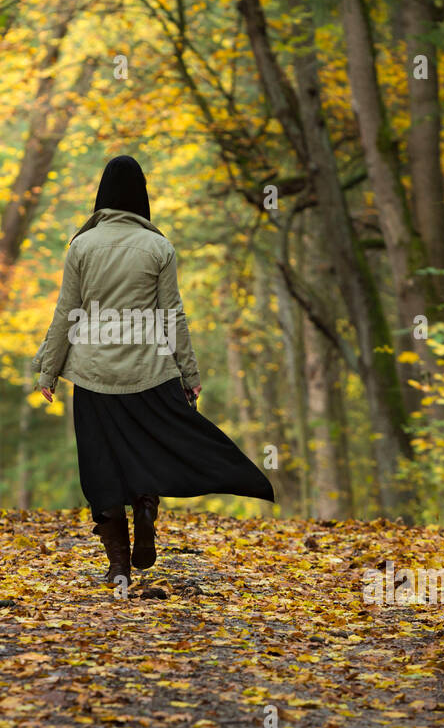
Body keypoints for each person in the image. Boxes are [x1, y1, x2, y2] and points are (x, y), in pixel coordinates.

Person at [32, 154, 275, 588]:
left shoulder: (81, 247)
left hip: (93, 376)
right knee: (148, 449)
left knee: (101, 464)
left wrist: (48, 371)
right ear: (141, 196)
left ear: (102, 197)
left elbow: (66, 311)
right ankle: (146, 510)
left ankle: (119, 566)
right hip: (150, 371)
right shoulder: (159, 248)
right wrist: (188, 373)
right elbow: (172, 315)